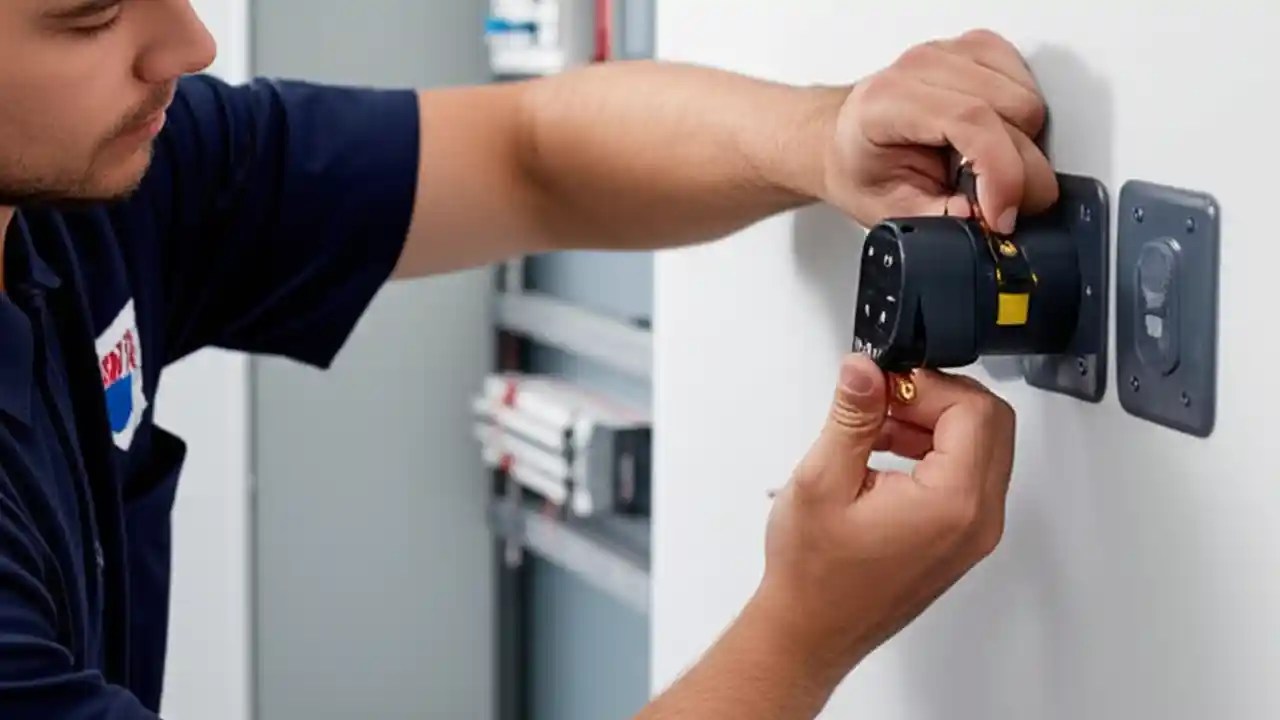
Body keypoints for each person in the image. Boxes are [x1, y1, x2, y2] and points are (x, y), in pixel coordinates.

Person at [0, 2, 1056, 718]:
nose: (189, 41)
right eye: (89, 11)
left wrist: (822, 136)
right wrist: (803, 631)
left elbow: (527, 158)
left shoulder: (101, 186)